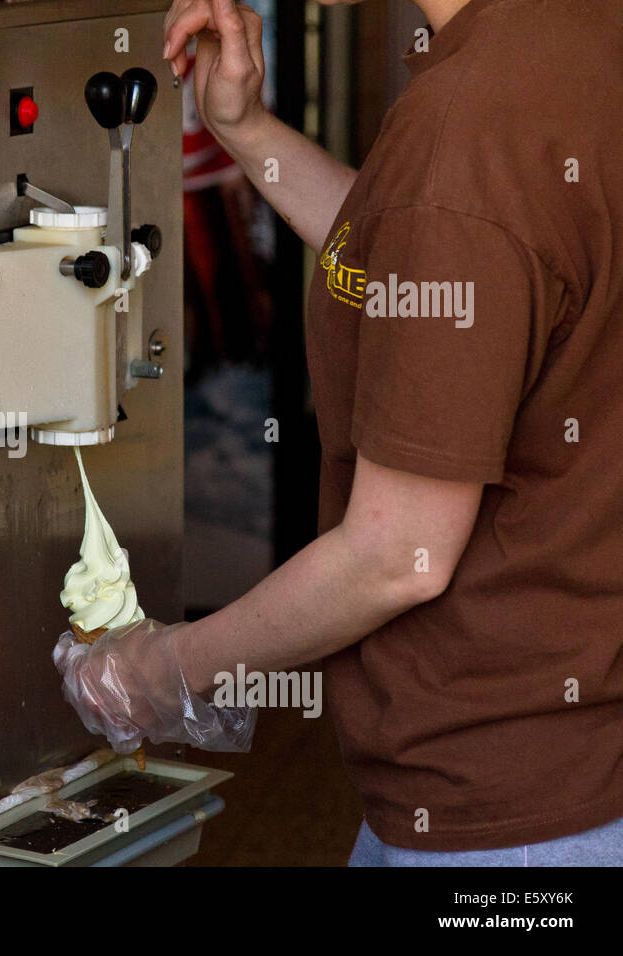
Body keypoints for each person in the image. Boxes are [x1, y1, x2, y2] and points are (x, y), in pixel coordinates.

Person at [54, 0, 623, 866]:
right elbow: (433, 264)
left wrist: (157, 673)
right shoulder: (567, 39)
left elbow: (399, 556)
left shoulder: (469, 126)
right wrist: (246, 130)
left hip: (506, 818)